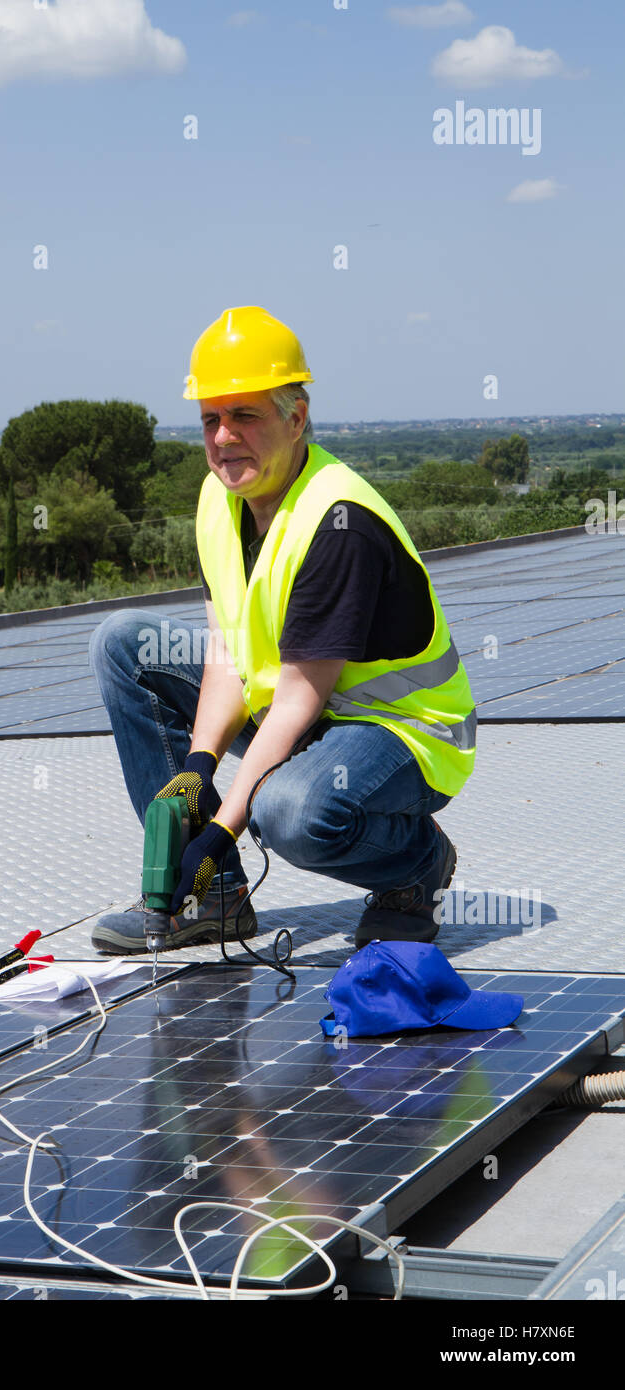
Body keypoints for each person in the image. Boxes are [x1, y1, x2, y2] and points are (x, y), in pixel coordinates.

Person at [89, 306, 476, 954]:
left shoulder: (337, 521)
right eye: (211, 419)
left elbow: (299, 696)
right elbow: (225, 654)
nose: (223, 438)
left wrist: (221, 830)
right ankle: (214, 899)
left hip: (402, 734)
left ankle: (415, 867)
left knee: (286, 812)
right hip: (305, 717)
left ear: (296, 417)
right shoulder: (222, 499)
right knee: (125, 644)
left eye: (245, 416)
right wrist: (196, 767)